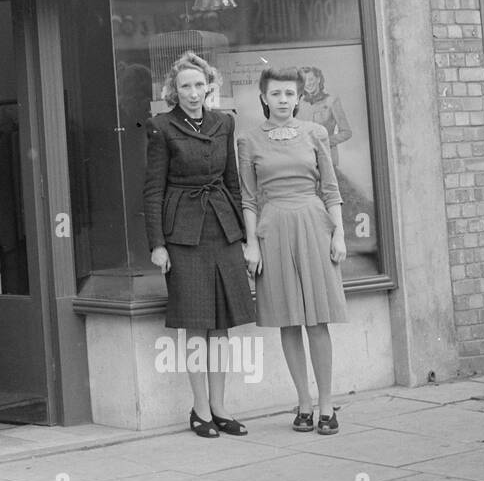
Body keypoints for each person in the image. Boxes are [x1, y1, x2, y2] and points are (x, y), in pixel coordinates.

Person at [143, 52, 256, 439]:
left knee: (221, 324)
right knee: (196, 324)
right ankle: (200, 408)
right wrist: (158, 244)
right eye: (184, 86)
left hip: (222, 229)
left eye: (199, 85)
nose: (193, 93)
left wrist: (243, 237)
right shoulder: (161, 126)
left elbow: (233, 182)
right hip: (183, 235)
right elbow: (153, 189)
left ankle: (221, 406)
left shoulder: (224, 122)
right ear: (173, 90)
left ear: (210, 86)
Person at [237, 67, 349, 436]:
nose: (283, 100)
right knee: (288, 320)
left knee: (317, 319)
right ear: (264, 98)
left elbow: (330, 189)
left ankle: (327, 404)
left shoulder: (316, 133)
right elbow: (249, 199)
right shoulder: (249, 140)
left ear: (299, 98)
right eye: (275, 94)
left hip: (313, 224)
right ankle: (303, 402)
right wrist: (251, 244)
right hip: (273, 227)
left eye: (289, 94)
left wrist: (339, 235)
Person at [297, 67, 353, 169]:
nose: (308, 83)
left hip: (328, 160)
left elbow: (347, 132)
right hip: (306, 161)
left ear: (318, 79)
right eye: (305, 80)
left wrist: (325, 141)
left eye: (311, 79)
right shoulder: (300, 103)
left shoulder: (331, 101)